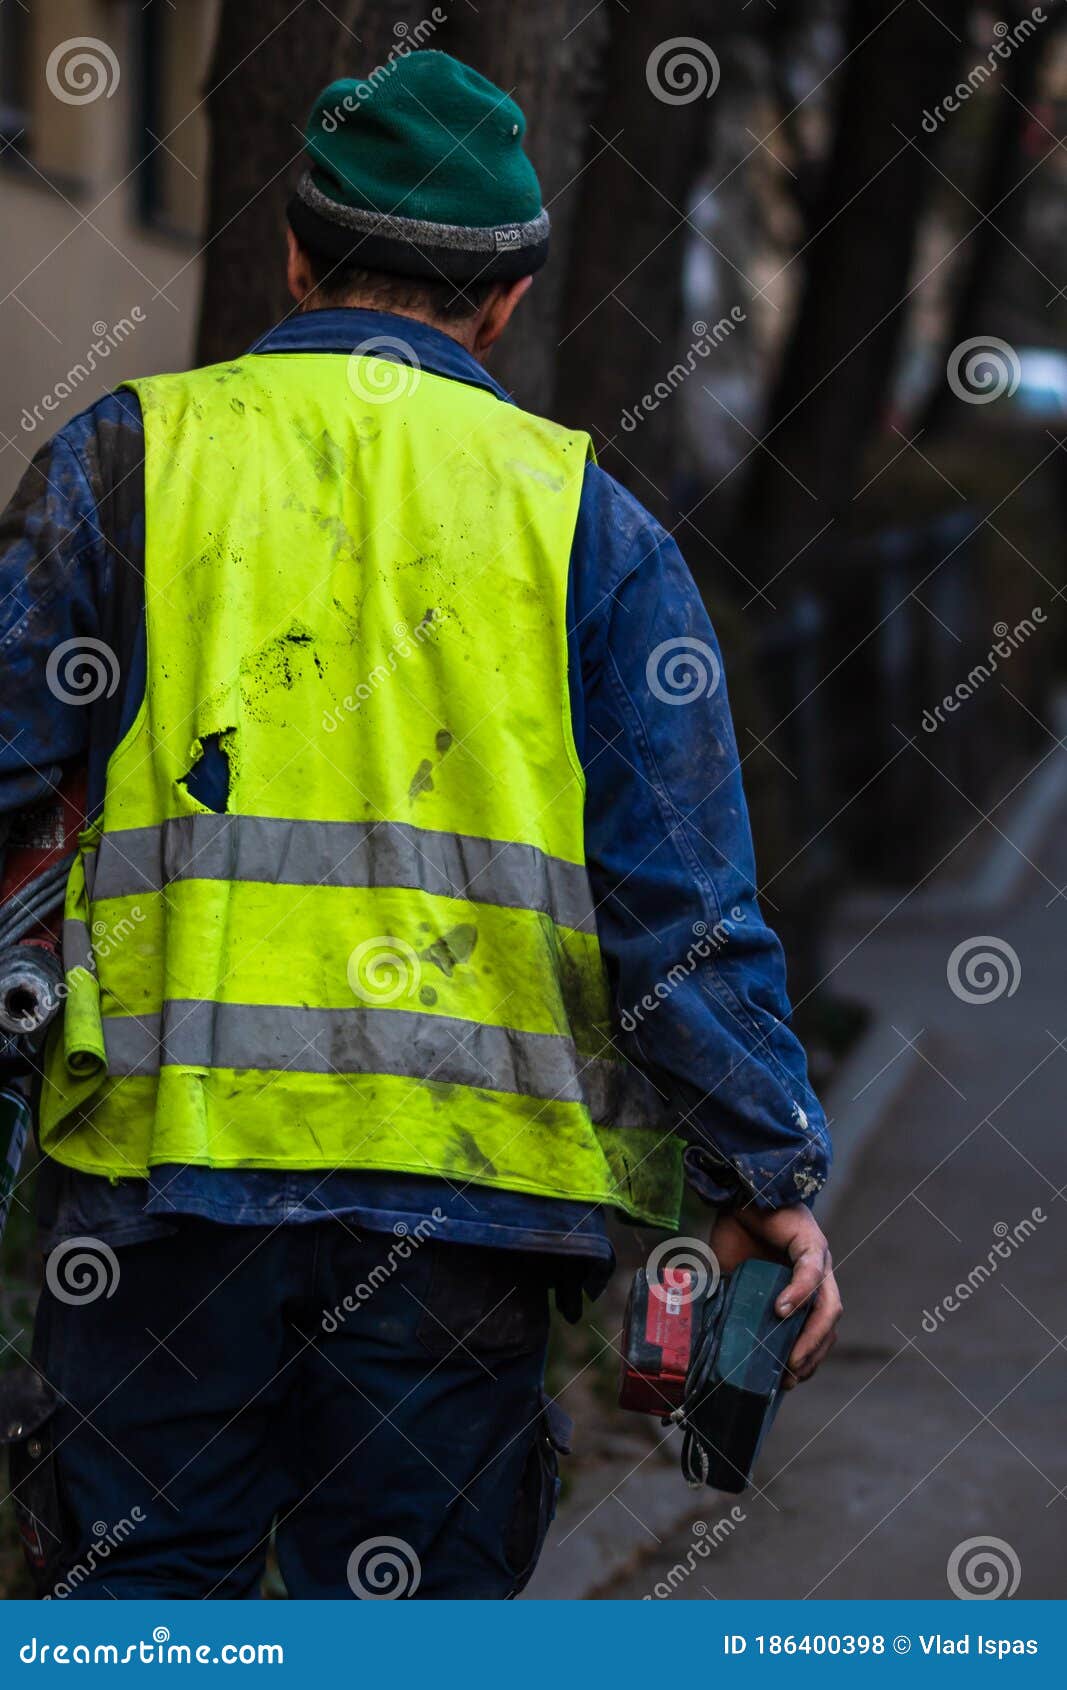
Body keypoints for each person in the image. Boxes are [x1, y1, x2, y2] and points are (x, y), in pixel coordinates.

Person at [0, 50, 840, 1600]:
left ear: (297, 254)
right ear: (509, 298)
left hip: (162, 1197)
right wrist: (769, 1169)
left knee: (133, 1615)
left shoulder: (122, 460)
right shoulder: (590, 523)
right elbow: (684, 908)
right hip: (463, 1216)